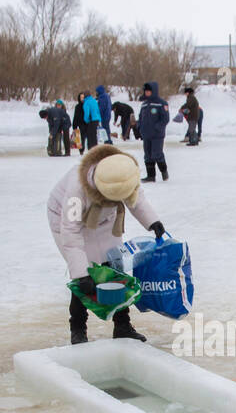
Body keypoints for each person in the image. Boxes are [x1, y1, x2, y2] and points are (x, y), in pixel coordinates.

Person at [46, 144, 167, 343]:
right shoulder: (77, 189)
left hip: (106, 219)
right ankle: (78, 329)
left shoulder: (123, 170)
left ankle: (122, 326)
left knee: (113, 268)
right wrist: (81, 273)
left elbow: (136, 199)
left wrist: (152, 221)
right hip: (65, 220)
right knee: (86, 275)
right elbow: (71, 232)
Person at [137, 81, 170, 182]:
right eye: (146, 91)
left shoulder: (161, 103)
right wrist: (139, 127)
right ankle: (151, 176)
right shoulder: (144, 104)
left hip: (157, 135)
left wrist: (158, 127)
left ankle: (164, 172)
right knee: (147, 155)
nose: (147, 93)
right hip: (146, 134)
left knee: (157, 154)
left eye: (149, 91)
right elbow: (140, 117)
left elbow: (165, 119)